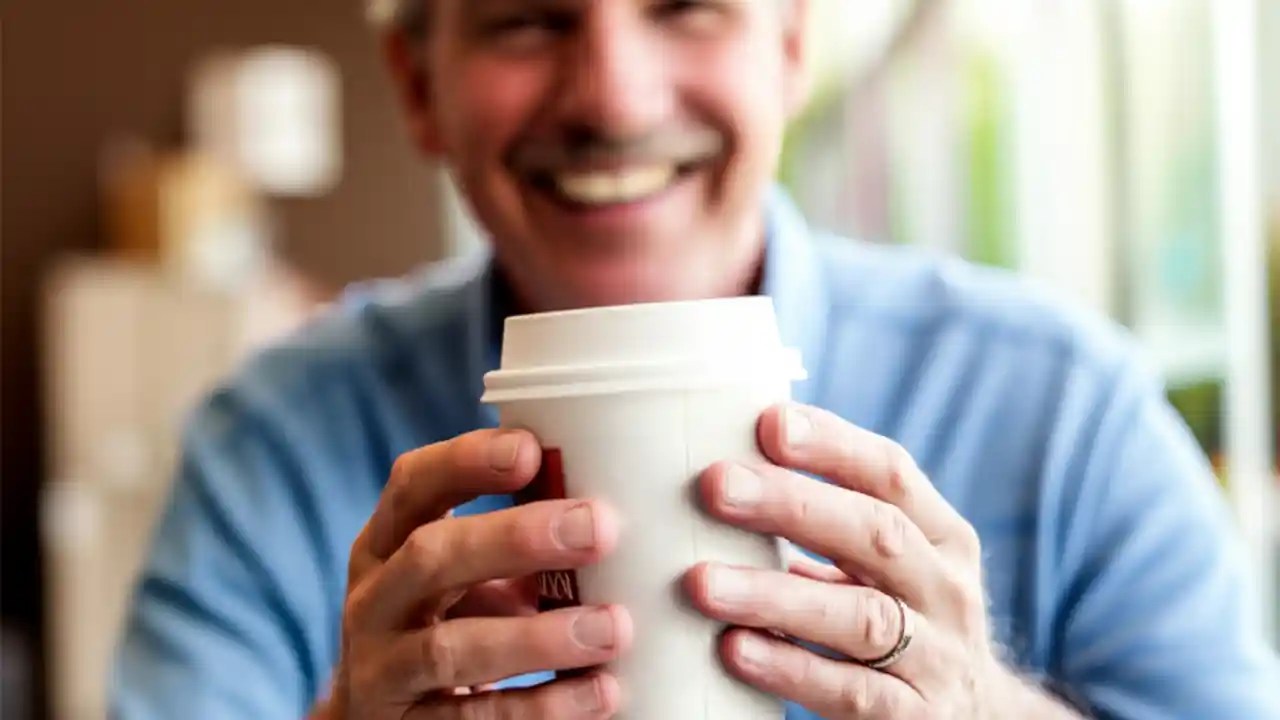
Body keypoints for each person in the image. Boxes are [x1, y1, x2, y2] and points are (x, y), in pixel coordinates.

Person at [112, 1, 1280, 718]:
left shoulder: (1063, 405)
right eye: (528, 16)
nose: (613, 96)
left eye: (686, 4)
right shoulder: (267, 447)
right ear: (418, 88)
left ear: (787, 45)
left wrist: (983, 712)